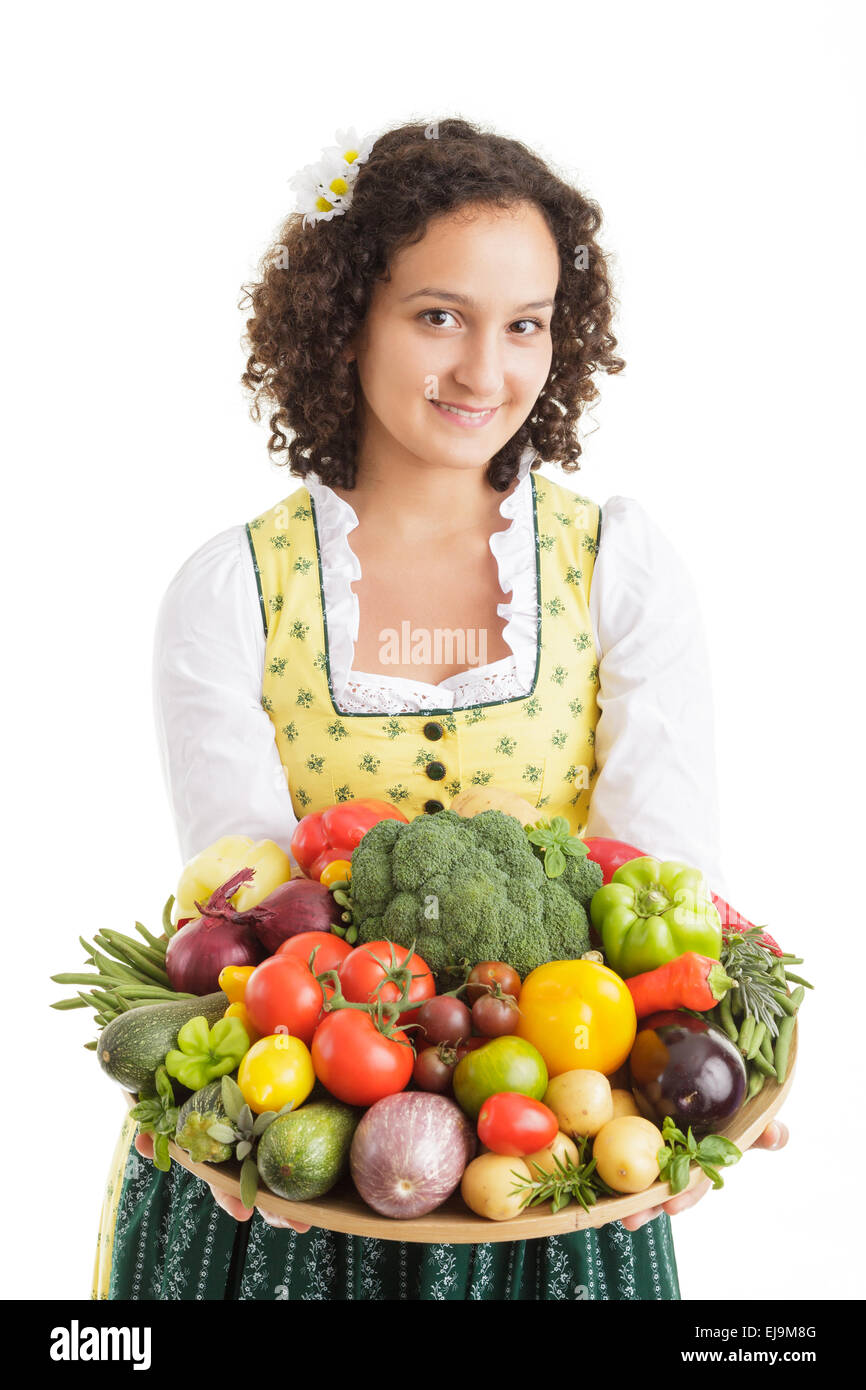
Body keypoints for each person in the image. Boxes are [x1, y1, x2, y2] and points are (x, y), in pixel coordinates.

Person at [93, 118, 786, 1301]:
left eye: (524, 324)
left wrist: (714, 1071)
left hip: (545, 1177)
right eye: (436, 316)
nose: (483, 372)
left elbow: (660, 889)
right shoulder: (233, 594)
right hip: (286, 1194)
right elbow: (241, 907)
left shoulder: (612, 569)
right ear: (343, 312)